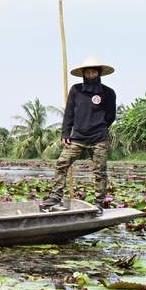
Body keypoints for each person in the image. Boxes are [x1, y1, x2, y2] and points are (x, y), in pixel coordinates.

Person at [41, 56, 117, 212]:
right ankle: (55, 197)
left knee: (100, 172)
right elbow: (69, 113)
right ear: (83, 74)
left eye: (93, 72)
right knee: (62, 163)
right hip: (77, 138)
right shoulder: (76, 90)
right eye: (87, 73)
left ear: (99, 73)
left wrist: (99, 127)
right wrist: (65, 133)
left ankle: (99, 203)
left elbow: (111, 116)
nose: (90, 75)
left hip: (99, 139)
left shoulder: (108, 93)